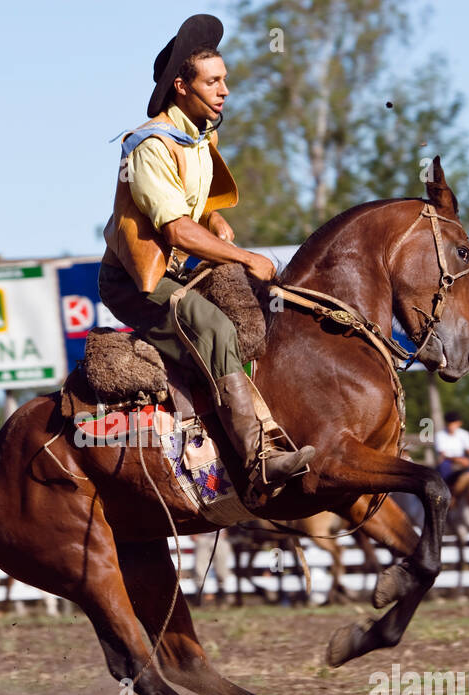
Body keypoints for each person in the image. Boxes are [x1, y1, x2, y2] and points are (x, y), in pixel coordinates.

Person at [96, 14, 313, 506]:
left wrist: (216, 221)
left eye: (225, 80)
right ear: (181, 86)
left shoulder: (198, 135)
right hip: (138, 283)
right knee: (213, 329)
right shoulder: (150, 145)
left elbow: (198, 205)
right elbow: (174, 228)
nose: (225, 91)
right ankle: (259, 460)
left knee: (258, 316)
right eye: (214, 81)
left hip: (179, 270)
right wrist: (242, 255)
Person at [434, 412, 469, 484]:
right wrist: (460, 460)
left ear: (459, 423)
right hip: (447, 460)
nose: (451, 426)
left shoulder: (464, 434)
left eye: (453, 423)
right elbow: (443, 454)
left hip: (462, 457)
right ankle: (447, 486)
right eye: (449, 423)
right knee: (444, 467)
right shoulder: (440, 435)